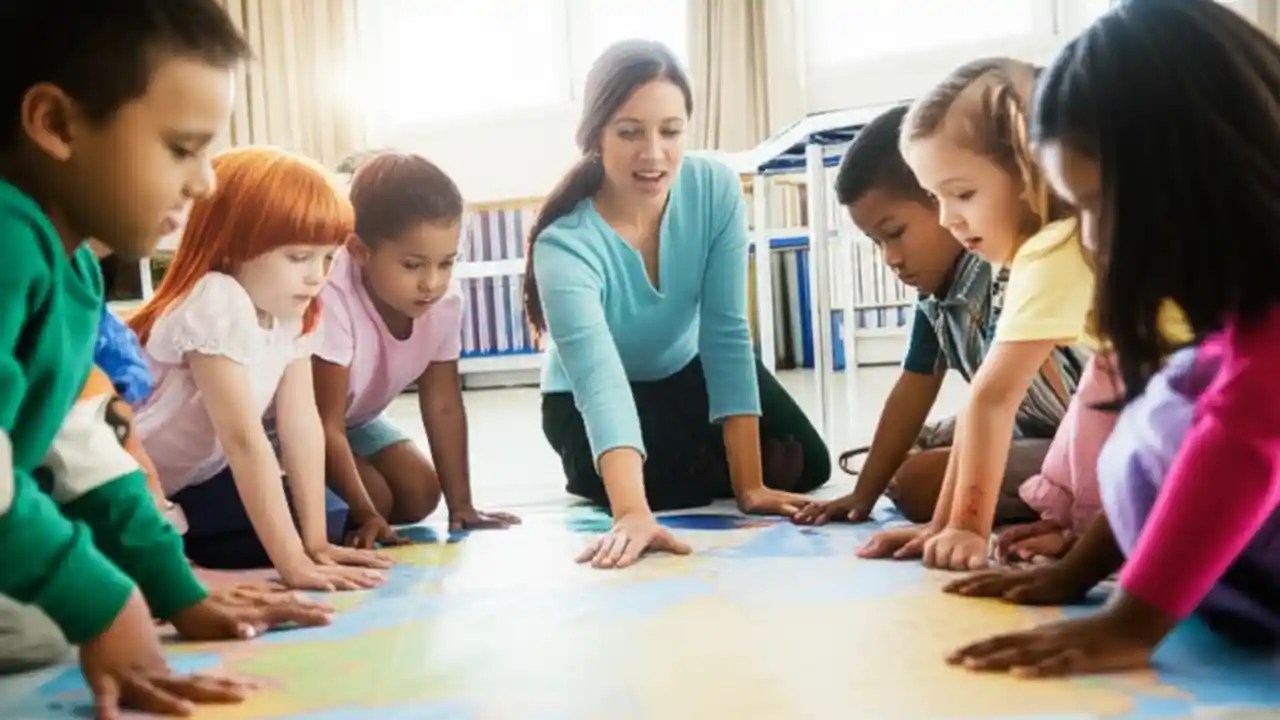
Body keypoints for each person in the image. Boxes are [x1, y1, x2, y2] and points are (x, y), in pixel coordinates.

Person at [0, 1, 326, 715]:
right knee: (48, 625)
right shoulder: (8, 245)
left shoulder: (77, 272)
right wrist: (100, 600)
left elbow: (88, 449)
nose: (205, 183)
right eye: (183, 149)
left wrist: (169, 586)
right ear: (55, 124)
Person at [945, 0, 1280, 676]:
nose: (1089, 238)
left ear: (1193, 174)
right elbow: (1184, 455)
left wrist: (1131, 622)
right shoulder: (1228, 325)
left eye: (1096, 206)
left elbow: (1238, 446)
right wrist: (1078, 573)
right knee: (1164, 398)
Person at [526, 40, 830, 569]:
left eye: (670, 130)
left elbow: (725, 333)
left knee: (806, 463)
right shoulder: (564, 244)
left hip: (687, 367)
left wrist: (751, 486)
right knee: (664, 491)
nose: (653, 153)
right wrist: (632, 513)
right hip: (586, 395)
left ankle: (705, 457)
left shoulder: (714, 188)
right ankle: (664, 463)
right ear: (594, 134)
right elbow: (600, 384)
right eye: (629, 132)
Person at [856, 58, 1095, 570]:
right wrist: (939, 526)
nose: (949, 219)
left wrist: (966, 527)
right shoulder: (1065, 240)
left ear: (1032, 166)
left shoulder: (1052, 249)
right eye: (938, 198)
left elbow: (991, 397)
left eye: (962, 194)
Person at [795, 103, 1082, 527]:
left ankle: (1071, 508)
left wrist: (954, 524)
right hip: (1031, 430)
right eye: (877, 243)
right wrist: (862, 494)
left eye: (895, 234)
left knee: (919, 481)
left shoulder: (1015, 267)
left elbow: (999, 402)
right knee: (898, 455)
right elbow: (912, 390)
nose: (890, 258)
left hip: (1081, 440)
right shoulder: (937, 295)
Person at [129, 146, 391, 586]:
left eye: (328, 257)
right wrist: (292, 564)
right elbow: (243, 439)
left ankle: (179, 542)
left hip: (190, 481)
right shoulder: (216, 298)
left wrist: (314, 546)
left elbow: (300, 423)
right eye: (298, 257)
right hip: (128, 481)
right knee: (156, 553)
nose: (317, 275)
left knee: (328, 520)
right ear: (233, 247)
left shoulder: (294, 310)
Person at [313, 151, 520, 548]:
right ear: (360, 252)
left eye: (446, 263)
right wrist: (367, 514)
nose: (432, 283)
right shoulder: (332, 296)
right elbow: (325, 424)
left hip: (359, 420)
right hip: (299, 426)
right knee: (376, 498)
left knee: (421, 494)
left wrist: (463, 506)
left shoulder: (444, 302)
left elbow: (443, 404)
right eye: (412, 265)